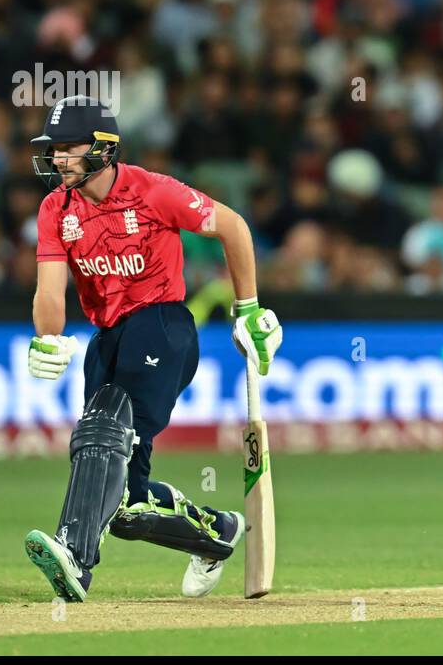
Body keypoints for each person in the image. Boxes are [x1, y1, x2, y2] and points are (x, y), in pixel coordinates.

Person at [22, 95, 282, 602]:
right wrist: (48, 336)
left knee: (105, 426)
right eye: (53, 150)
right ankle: (215, 532)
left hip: (162, 324)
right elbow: (50, 290)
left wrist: (248, 308)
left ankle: (74, 554)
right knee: (124, 503)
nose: (56, 160)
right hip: (107, 338)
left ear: (102, 147)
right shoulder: (57, 208)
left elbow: (233, 226)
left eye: (67, 149)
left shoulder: (152, 191)